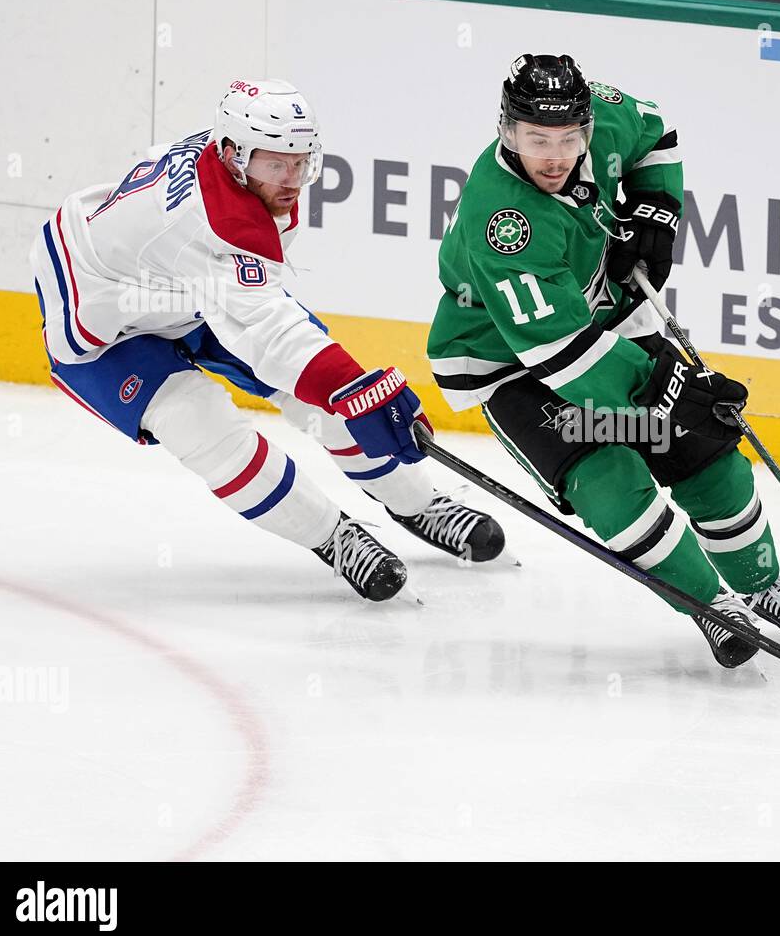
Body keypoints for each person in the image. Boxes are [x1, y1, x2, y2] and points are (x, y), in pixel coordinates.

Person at [31, 78, 505, 602]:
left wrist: (351, 391)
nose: (292, 178)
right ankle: (334, 537)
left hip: (181, 285)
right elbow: (271, 329)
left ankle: (417, 503)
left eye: (302, 161)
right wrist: (360, 389)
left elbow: (257, 311)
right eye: (276, 164)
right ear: (233, 155)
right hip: (96, 320)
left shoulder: (239, 173)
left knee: (323, 394)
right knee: (200, 424)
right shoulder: (215, 223)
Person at [427, 55, 780, 666]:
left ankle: (762, 583)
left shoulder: (609, 121)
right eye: (537, 140)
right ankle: (709, 605)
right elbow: (561, 354)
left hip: (604, 319)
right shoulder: (501, 218)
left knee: (705, 454)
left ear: (588, 127)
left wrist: (653, 213)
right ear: (507, 131)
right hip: (512, 363)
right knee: (610, 479)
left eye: (568, 139)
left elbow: (656, 136)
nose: (555, 156)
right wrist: (662, 393)